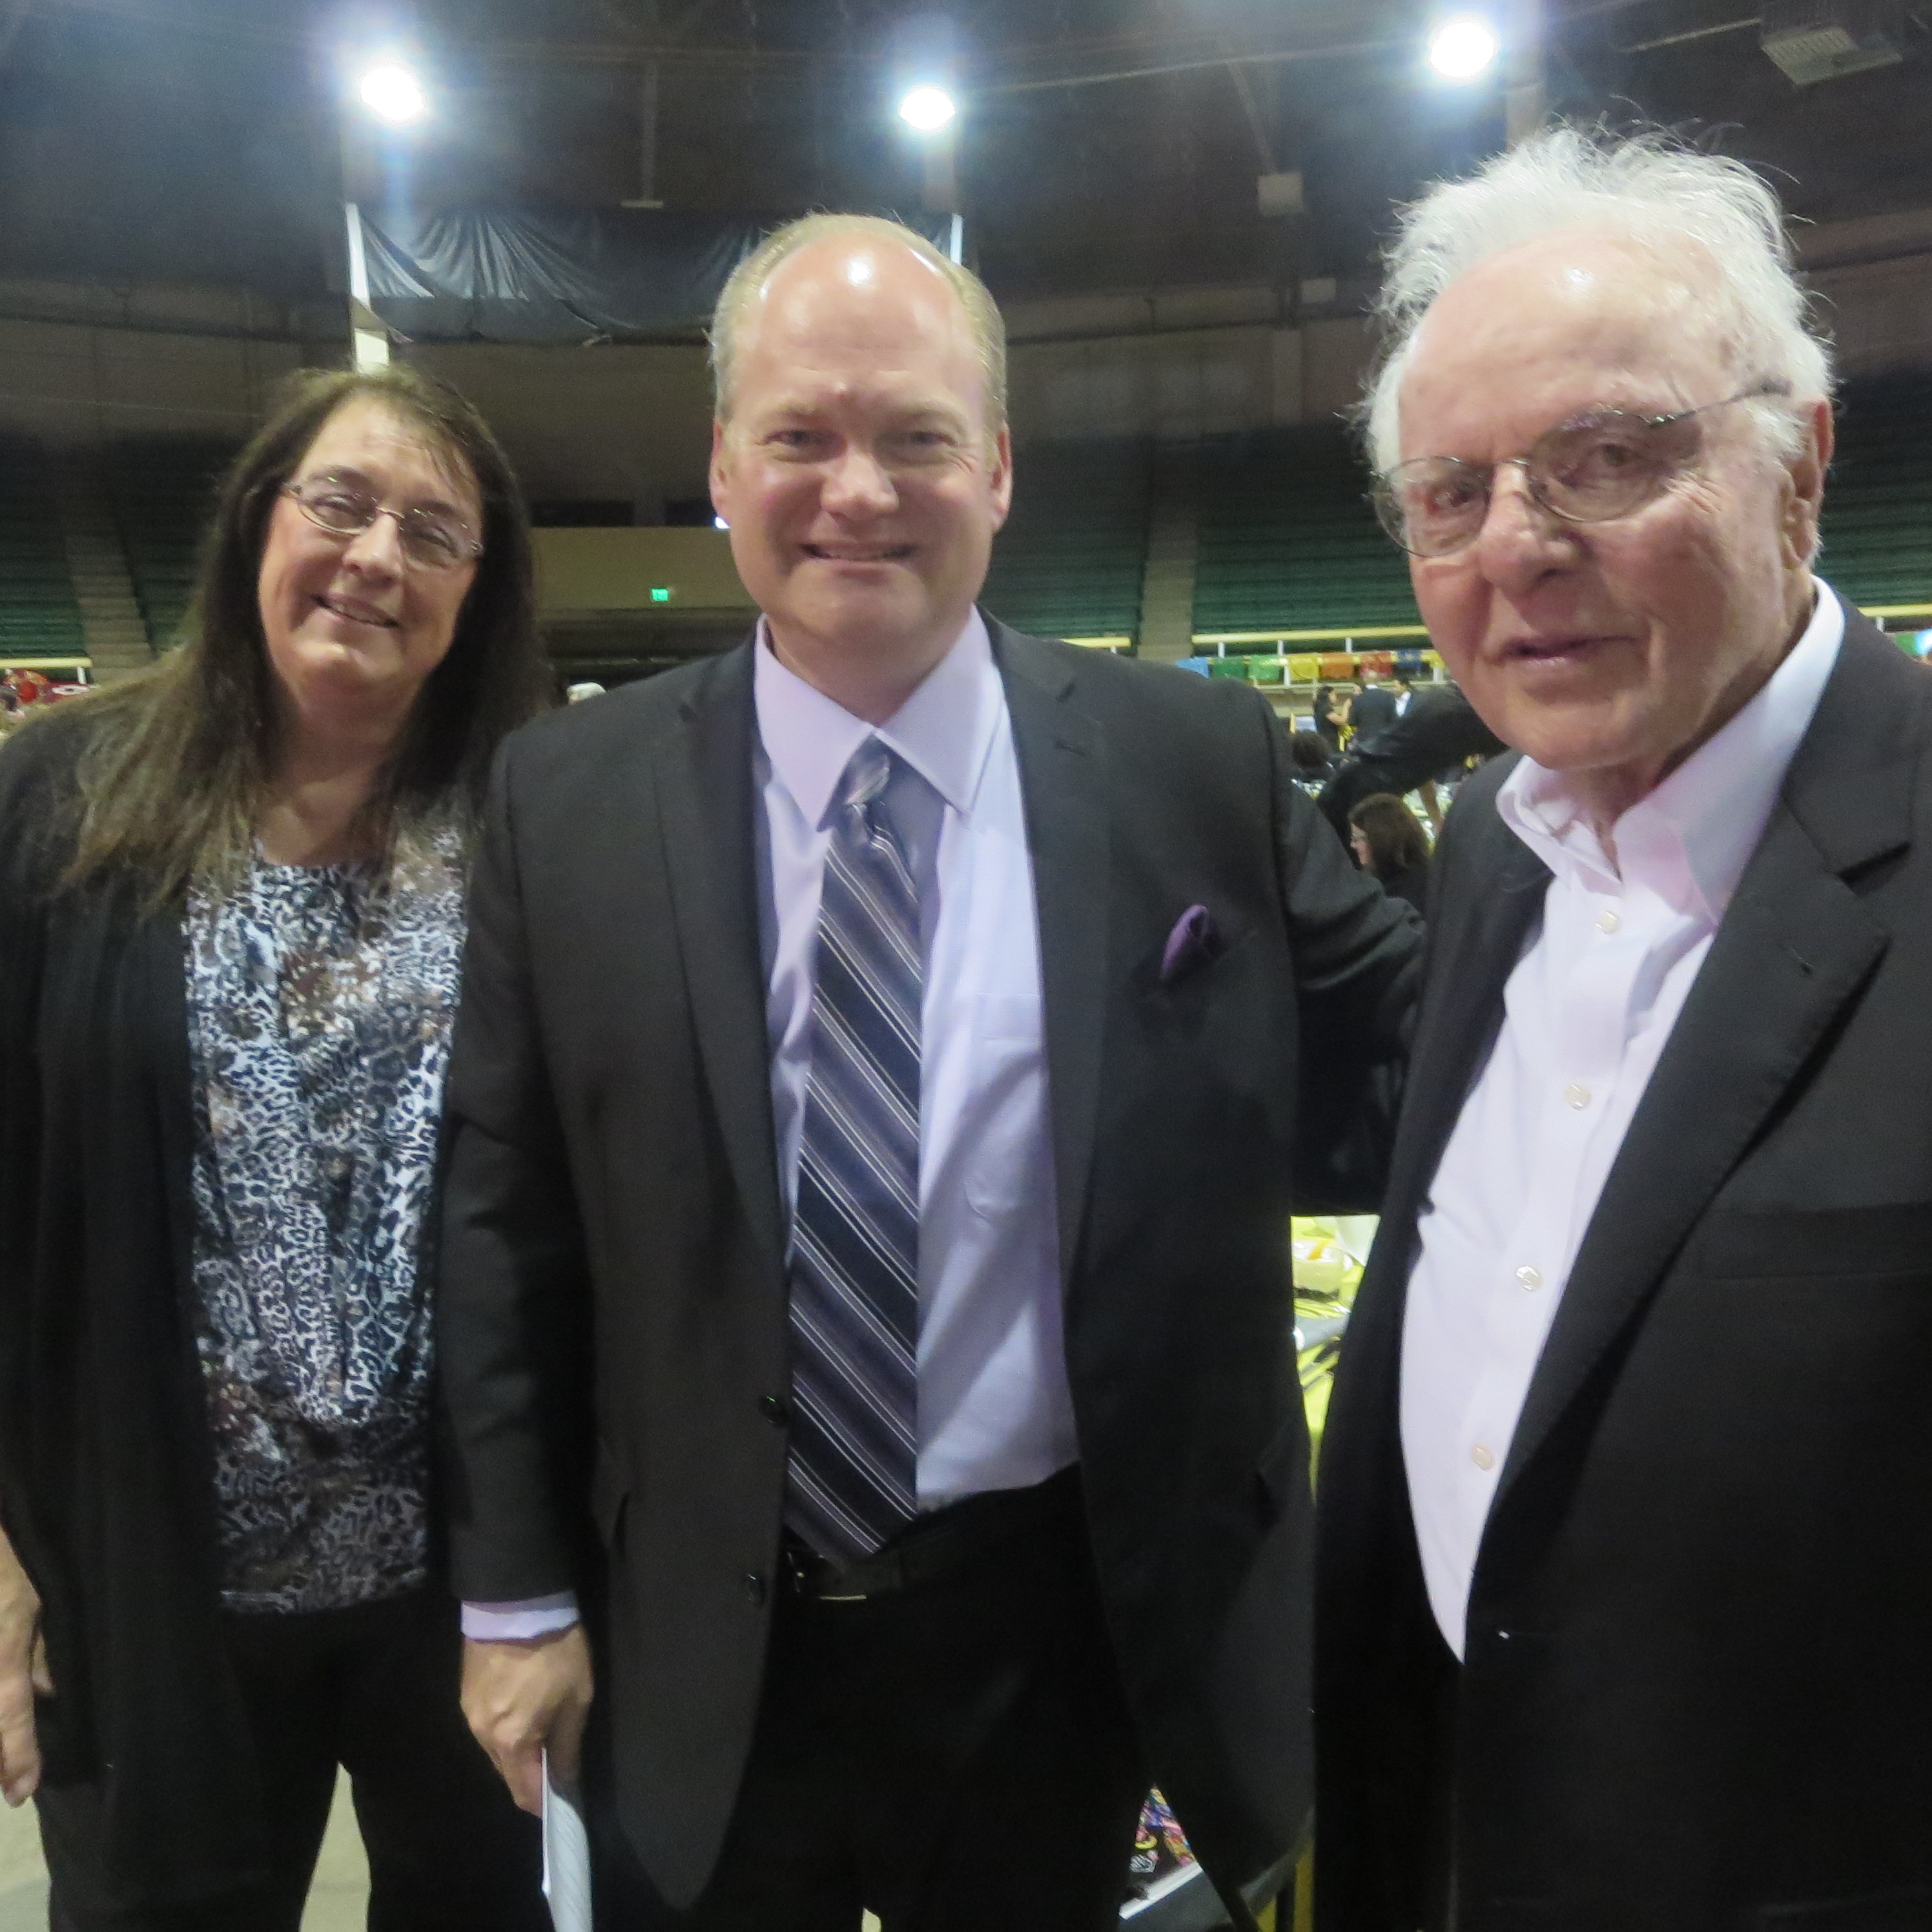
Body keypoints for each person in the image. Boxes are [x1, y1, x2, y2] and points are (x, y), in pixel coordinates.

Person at [440, 212, 1423, 1932]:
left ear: (1000, 470)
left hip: (1058, 1624)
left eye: (915, 438)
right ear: (725, 468)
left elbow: (1417, 1050)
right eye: (803, 438)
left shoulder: (1185, 759)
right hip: (702, 1616)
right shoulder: (566, 801)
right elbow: (504, 1220)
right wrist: (514, 1596)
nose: (859, 491)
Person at [1315, 127, 1932, 1931]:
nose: (1520, 546)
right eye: (1455, 490)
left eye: (1610, 458)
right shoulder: (1501, 871)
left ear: (1801, 463)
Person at [0, 364, 553, 1930]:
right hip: (150, 1576)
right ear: (256, 522)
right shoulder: (59, 806)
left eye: (435, 530)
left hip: (464, 1594)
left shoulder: (531, 825)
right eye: (341, 500)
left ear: (477, 590)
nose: (378, 553)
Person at [1346, 793, 1430, 912]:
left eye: (1359, 838)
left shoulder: (1410, 893)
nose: (1353, 845)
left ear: (1382, 840)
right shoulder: (1425, 878)